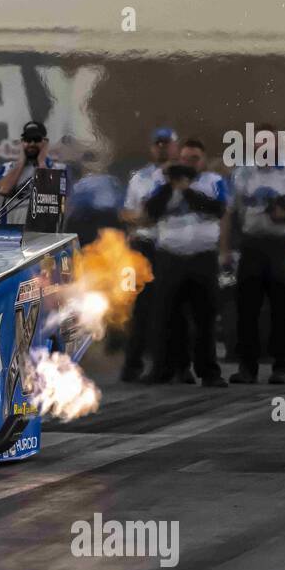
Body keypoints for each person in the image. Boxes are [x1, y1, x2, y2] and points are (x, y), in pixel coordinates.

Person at [226, 125, 285, 384]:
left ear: (278, 144)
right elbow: (229, 212)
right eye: (260, 143)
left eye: (270, 142)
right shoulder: (241, 173)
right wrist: (225, 249)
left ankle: (282, 365)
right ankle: (248, 367)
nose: (265, 147)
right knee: (247, 310)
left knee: (283, 308)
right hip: (251, 245)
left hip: (280, 245)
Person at [142, 139, 228, 387]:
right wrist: (171, 186)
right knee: (167, 316)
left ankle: (209, 371)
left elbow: (218, 209)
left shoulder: (213, 182)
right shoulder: (163, 183)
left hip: (203, 257)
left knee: (205, 317)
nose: (189, 163)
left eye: (194, 158)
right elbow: (151, 211)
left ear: (203, 160)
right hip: (171, 257)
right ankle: (167, 369)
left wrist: (187, 189)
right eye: (185, 158)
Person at [119, 127, 179, 381]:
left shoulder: (183, 176)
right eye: (158, 144)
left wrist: (145, 217)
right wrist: (144, 218)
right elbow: (127, 213)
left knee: (168, 309)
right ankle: (133, 364)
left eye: (167, 143)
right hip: (143, 249)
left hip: (170, 247)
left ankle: (170, 365)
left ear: (175, 146)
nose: (162, 148)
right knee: (139, 307)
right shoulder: (140, 177)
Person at [0, 121, 67, 227]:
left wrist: (42, 161)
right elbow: (4, 190)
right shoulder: (8, 167)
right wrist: (21, 162)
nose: (32, 144)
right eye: (28, 140)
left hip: (44, 230)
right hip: (13, 231)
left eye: (36, 139)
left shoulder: (57, 169)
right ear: (22, 142)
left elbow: (52, 196)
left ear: (45, 142)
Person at [64, 152, 124, 246]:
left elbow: (70, 210)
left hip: (91, 227)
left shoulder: (81, 185)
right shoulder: (112, 181)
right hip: (111, 228)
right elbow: (120, 209)